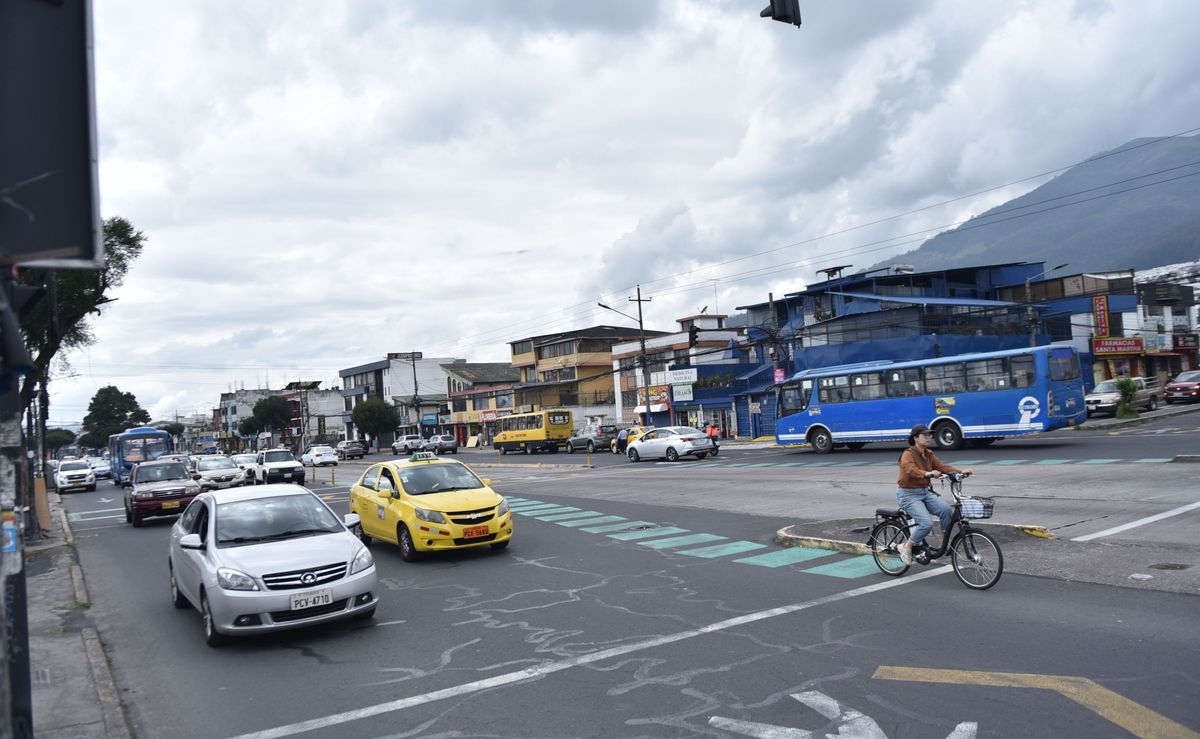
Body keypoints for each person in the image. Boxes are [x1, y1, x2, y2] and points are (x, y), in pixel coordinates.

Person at [895, 424, 973, 565]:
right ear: (915, 438)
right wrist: (927, 473)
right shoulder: (908, 454)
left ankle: (944, 542)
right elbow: (909, 469)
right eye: (925, 435)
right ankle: (907, 546)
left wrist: (960, 471)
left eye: (930, 435)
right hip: (908, 495)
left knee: (946, 510)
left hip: (925, 492)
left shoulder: (928, 453)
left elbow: (942, 467)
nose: (929, 437)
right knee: (926, 523)